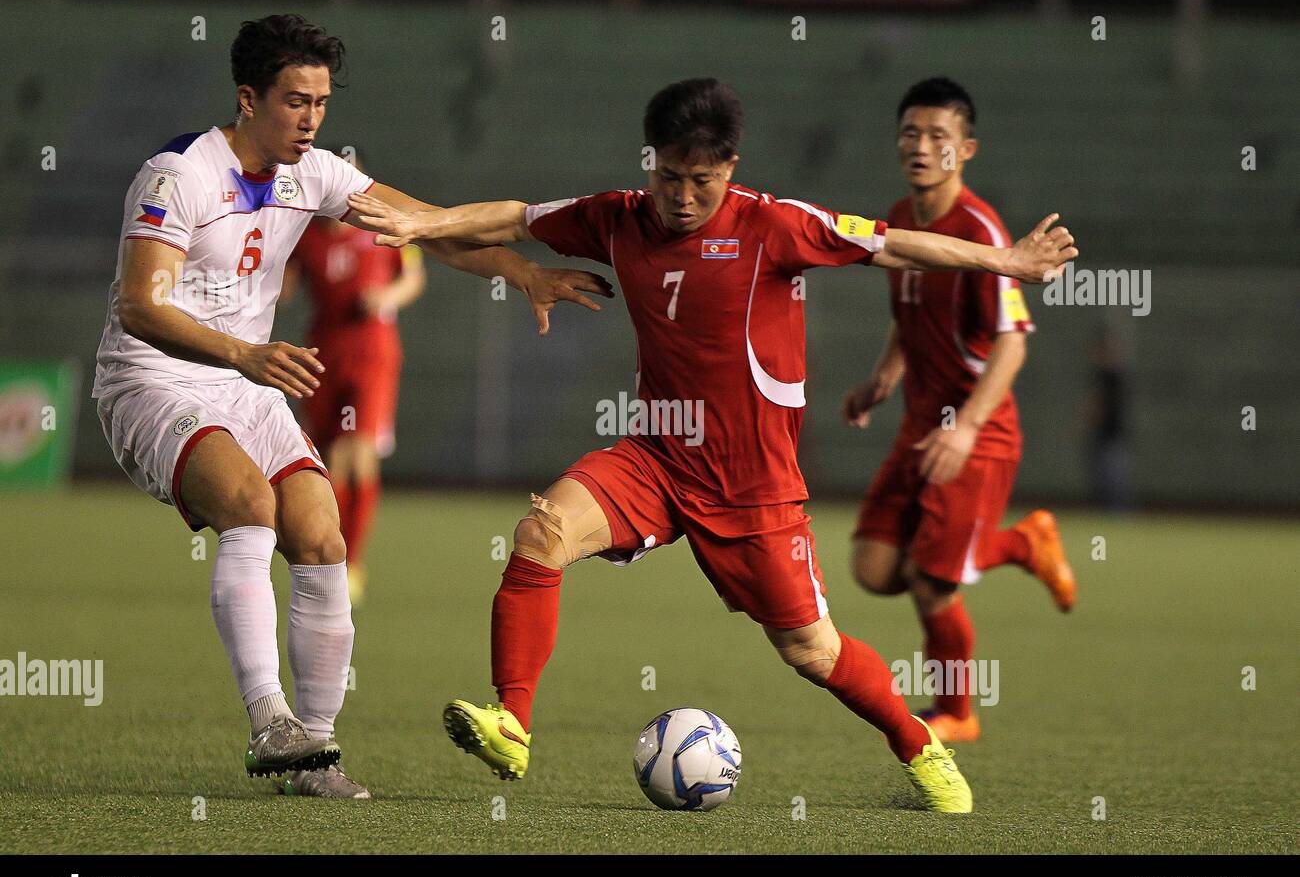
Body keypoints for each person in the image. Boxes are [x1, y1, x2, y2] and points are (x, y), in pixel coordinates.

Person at [348, 77, 1078, 812]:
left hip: (754, 488)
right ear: (650, 163)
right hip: (657, 458)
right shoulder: (617, 216)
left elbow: (892, 247)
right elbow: (516, 214)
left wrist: (1007, 263)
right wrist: (426, 223)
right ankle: (512, 721)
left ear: (730, 167)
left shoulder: (777, 226)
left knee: (812, 653)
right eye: (669, 176)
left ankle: (920, 745)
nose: (683, 196)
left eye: (702, 180)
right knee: (541, 533)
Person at [92, 14, 611, 799]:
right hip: (153, 379)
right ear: (247, 98)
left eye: (323, 102)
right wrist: (244, 353)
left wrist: (520, 270)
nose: (311, 119)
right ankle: (270, 719)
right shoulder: (179, 176)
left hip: (242, 381)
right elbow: (139, 307)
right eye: (295, 101)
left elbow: (423, 228)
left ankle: (317, 754)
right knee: (248, 504)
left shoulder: (316, 173)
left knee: (321, 535)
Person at [842, 78, 1078, 744]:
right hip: (919, 427)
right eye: (910, 134)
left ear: (965, 149)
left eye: (937, 137)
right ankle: (1023, 543)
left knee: (929, 582)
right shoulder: (896, 219)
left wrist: (968, 428)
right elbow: (906, 317)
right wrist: (881, 378)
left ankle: (958, 712)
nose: (920, 147)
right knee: (872, 567)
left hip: (978, 432)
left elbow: (1012, 342)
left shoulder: (980, 231)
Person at [286, 158, 427, 605]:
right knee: (328, 456)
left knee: (357, 450)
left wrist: (386, 296)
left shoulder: (383, 229)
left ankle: (352, 562)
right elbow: (280, 287)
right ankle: (329, 556)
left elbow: (413, 278)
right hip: (324, 351)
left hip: (373, 350)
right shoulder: (303, 238)